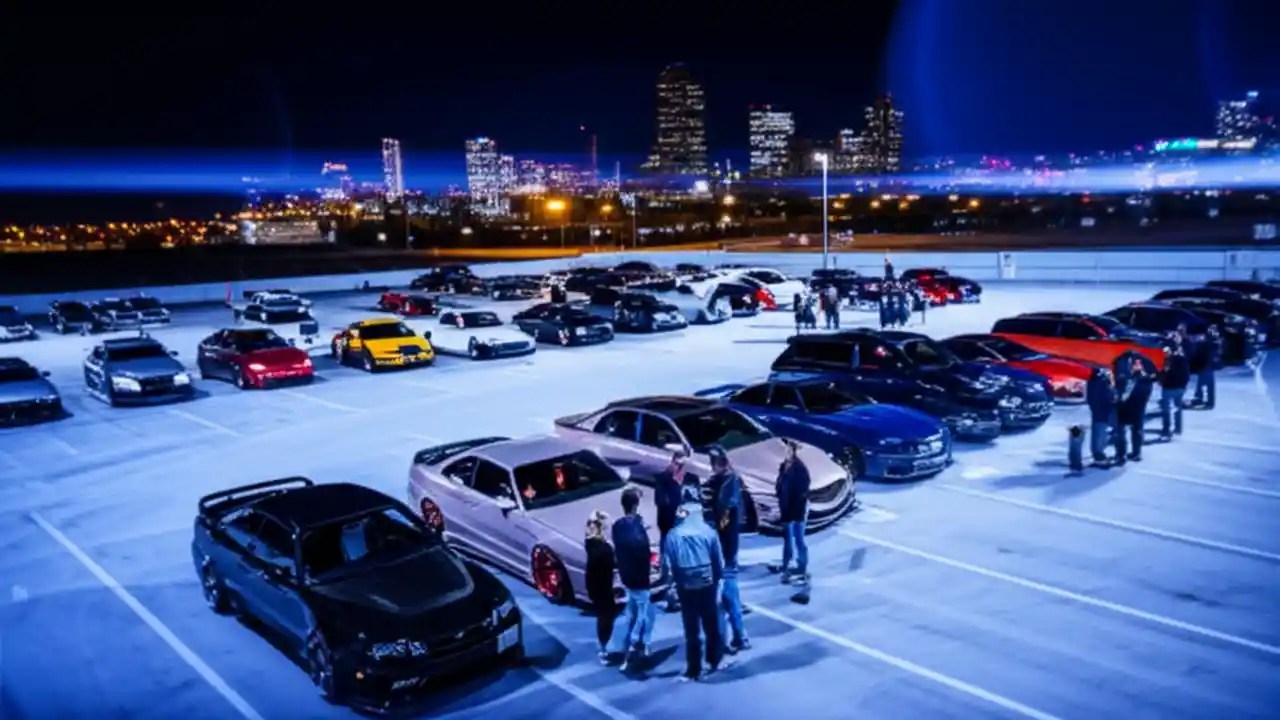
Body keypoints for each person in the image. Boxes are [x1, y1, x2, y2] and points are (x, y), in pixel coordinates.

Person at [663, 486, 727, 682]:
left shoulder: (673, 535)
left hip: (685, 585)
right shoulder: (708, 532)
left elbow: (668, 564)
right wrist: (717, 580)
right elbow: (718, 561)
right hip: (707, 583)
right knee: (711, 623)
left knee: (691, 628)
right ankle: (714, 660)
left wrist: (670, 584)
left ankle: (694, 668)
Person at [703, 446, 748, 654]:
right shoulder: (733, 483)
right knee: (731, 591)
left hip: (722, 550)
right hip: (730, 548)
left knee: (723, 597)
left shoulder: (720, 487)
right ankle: (739, 636)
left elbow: (720, 518)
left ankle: (726, 641)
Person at [608, 488, 656, 670]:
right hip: (640, 579)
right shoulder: (637, 530)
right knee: (643, 614)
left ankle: (630, 648)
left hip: (626, 576)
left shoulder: (617, 526)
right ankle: (636, 647)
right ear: (635, 505)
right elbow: (643, 552)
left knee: (631, 612)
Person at [654, 449, 694, 612]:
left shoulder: (684, 481)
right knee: (670, 567)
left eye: (682, 464)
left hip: (680, 530)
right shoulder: (664, 482)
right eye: (676, 464)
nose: (678, 468)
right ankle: (670, 596)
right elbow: (663, 505)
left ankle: (676, 595)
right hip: (669, 530)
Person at [774, 439, 810, 585]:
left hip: (796, 510)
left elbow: (801, 493)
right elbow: (780, 484)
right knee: (787, 540)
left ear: (794, 452)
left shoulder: (800, 469)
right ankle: (785, 564)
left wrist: (791, 513)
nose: (786, 453)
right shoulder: (784, 466)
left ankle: (802, 567)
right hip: (786, 509)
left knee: (799, 539)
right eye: (786, 450)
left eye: (789, 450)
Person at [584, 510, 617, 662]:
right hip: (601, 587)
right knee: (605, 617)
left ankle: (604, 645)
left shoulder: (593, 544)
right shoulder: (600, 549)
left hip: (599, 586)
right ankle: (604, 647)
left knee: (606, 616)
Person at [1116, 356, 1153, 463]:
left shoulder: (1137, 379)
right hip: (1133, 407)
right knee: (1130, 431)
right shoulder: (1142, 379)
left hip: (1131, 407)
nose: (1136, 366)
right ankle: (1129, 454)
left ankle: (1128, 454)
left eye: (1138, 364)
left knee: (1129, 431)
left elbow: (1123, 394)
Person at [1159, 333, 1191, 441]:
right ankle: (1178, 428)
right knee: (1178, 408)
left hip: (1169, 386)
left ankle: (1166, 429)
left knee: (1166, 409)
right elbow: (1186, 373)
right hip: (1179, 386)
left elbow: (1165, 372)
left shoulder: (1169, 360)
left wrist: (1161, 379)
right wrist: (1185, 385)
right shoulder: (1182, 357)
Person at [1086, 366, 1115, 467]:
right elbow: (1108, 393)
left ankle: (1099, 454)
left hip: (1099, 407)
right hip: (1101, 408)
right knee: (1099, 431)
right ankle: (1098, 456)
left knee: (1100, 430)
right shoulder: (1101, 378)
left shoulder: (1097, 377)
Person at [1191, 325, 1221, 409]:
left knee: (1207, 384)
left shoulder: (1213, 341)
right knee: (1201, 383)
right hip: (1205, 364)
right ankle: (1200, 398)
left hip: (1208, 365)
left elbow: (1215, 353)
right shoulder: (1208, 341)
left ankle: (1208, 401)